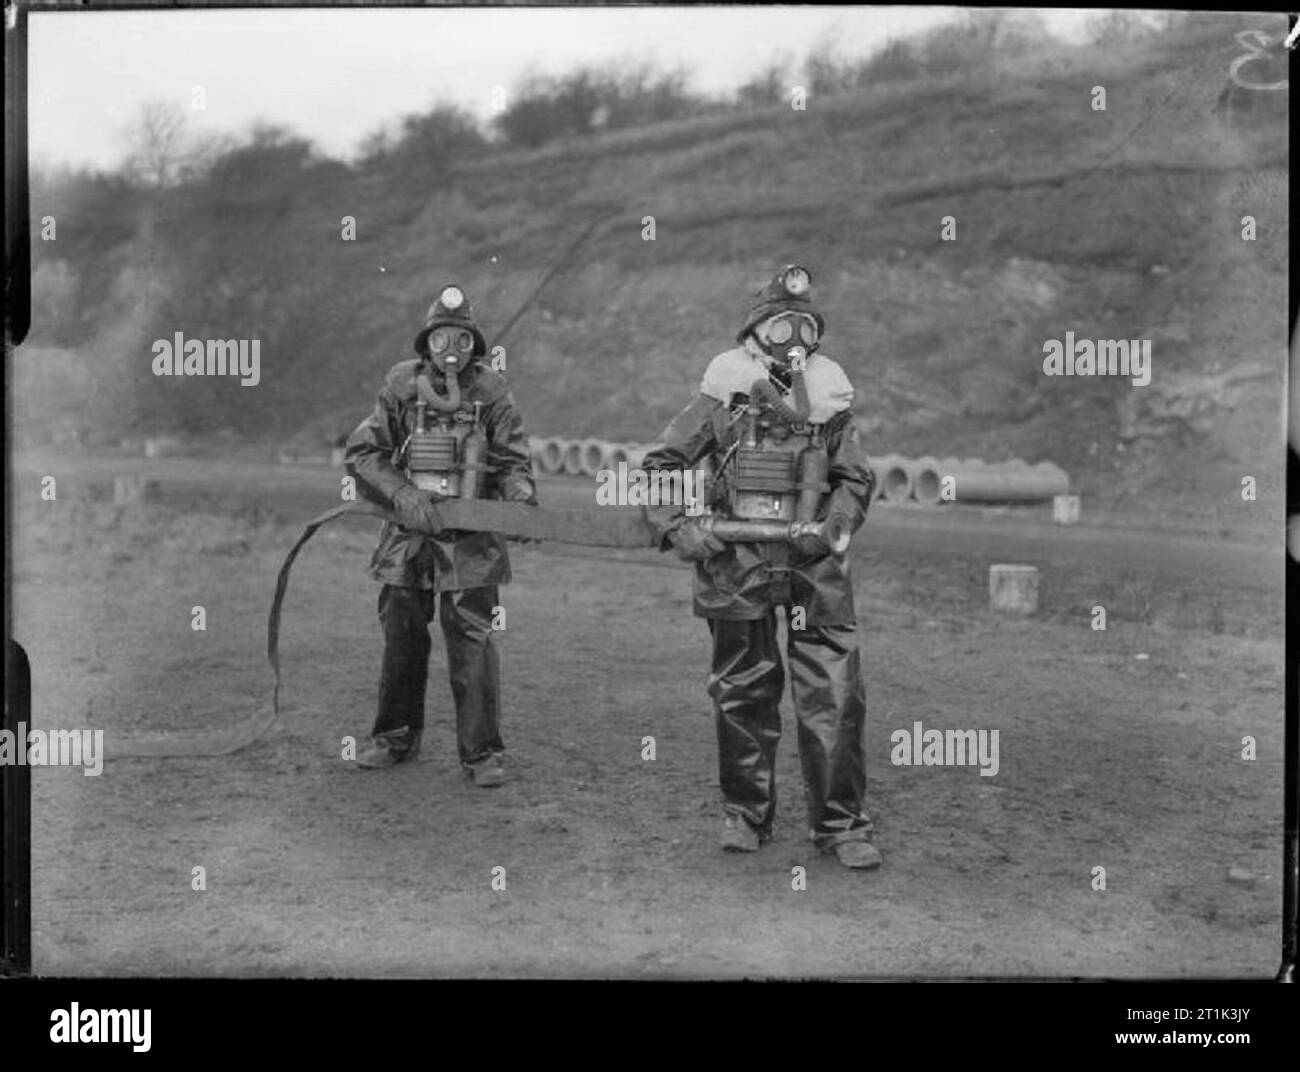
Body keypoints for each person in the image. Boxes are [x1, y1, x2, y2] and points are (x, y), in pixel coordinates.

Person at [640, 265, 883, 868]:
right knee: (743, 691)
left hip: (813, 567)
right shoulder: (720, 399)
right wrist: (676, 524)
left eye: (805, 325)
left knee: (834, 692)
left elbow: (855, 477)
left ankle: (841, 825)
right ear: (755, 334)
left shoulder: (830, 406)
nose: (794, 338)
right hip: (736, 563)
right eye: (782, 324)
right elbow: (660, 465)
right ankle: (746, 814)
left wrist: (838, 525)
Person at [344, 284, 536, 786]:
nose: (451, 351)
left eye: (462, 340)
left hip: (470, 539)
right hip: (410, 535)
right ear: (425, 342)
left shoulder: (491, 392)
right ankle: (393, 737)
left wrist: (520, 502)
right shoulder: (401, 386)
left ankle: (481, 754)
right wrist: (401, 492)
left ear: (474, 344)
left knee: (472, 640)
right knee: (402, 638)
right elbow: (364, 453)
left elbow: (515, 460)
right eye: (441, 339)